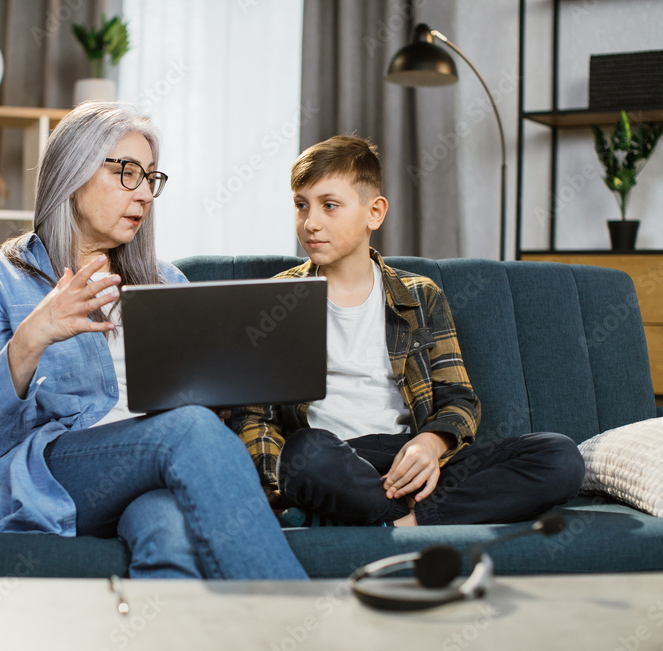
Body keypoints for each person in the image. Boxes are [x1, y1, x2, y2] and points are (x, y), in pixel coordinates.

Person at [0, 102, 308, 580]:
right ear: (72, 172)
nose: (145, 194)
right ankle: (303, 625)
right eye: (127, 173)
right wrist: (33, 336)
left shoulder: (166, 283)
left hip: (152, 475)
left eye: (151, 178)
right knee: (192, 429)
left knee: (169, 531)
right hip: (58, 475)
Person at [229, 135, 585, 527]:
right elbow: (253, 417)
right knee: (304, 454)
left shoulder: (420, 296)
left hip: (409, 456)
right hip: (332, 460)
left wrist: (431, 444)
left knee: (559, 455)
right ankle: (409, 518)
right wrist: (276, 482)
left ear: (374, 212)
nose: (310, 222)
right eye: (301, 205)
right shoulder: (276, 300)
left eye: (329, 205)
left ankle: (395, 523)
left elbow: (460, 401)